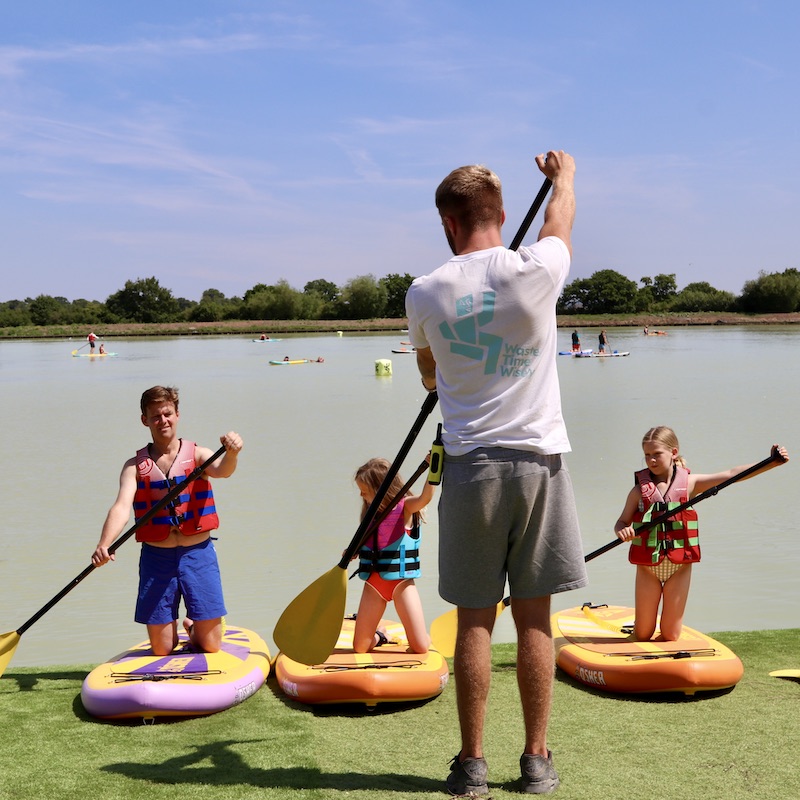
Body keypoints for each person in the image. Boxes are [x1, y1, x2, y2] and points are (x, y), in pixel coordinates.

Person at [405, 151, 587, 796]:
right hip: (539, 463)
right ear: (501, 216)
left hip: (471, 468)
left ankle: (472, 765)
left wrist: (451, 370)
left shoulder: (424, 292)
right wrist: (560, 178)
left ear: (448, 225)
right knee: (534, 617)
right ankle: (536, 761)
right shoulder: (537, 269)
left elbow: (429, 373)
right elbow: (560, 223)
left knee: (475, 619)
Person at [91, 385, 243, 656]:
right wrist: (105, 544)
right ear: (145, 420)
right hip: (157, 558)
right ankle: (177, 630)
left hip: (198, 553)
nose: (163, 420)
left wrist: (231, 452)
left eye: (167, 414)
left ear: (177, 414)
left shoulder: (198, 454)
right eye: (156, 416)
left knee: (210, 646)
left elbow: (223, 471)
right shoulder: (133, 467)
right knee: (161, 649)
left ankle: (194, 628)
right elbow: (121, 507)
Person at [614, 427, 788, 642]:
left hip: (679, 568)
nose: (651, 460)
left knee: (670, 635)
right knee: (643, 634)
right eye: (647, 455)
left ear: (673, 452)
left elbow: (731, 475)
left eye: (657, 454)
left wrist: (770, 463)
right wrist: (623, 530)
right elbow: (622, 521)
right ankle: (639, 627)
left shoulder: (689, 483)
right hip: (648, 568)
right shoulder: (639, 491)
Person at [352, 457, 435, 654]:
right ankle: (381, 636)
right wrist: (353, 551)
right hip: (373, 585)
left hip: (401, 585)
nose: (360, 493)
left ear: (379, 488)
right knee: (360, 648)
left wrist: (433, 469)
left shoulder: (405, 507)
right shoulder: (368, 514)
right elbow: (368, 542)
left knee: (421, 647)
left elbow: (425, 498)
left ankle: (422, 635)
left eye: (364, 489)